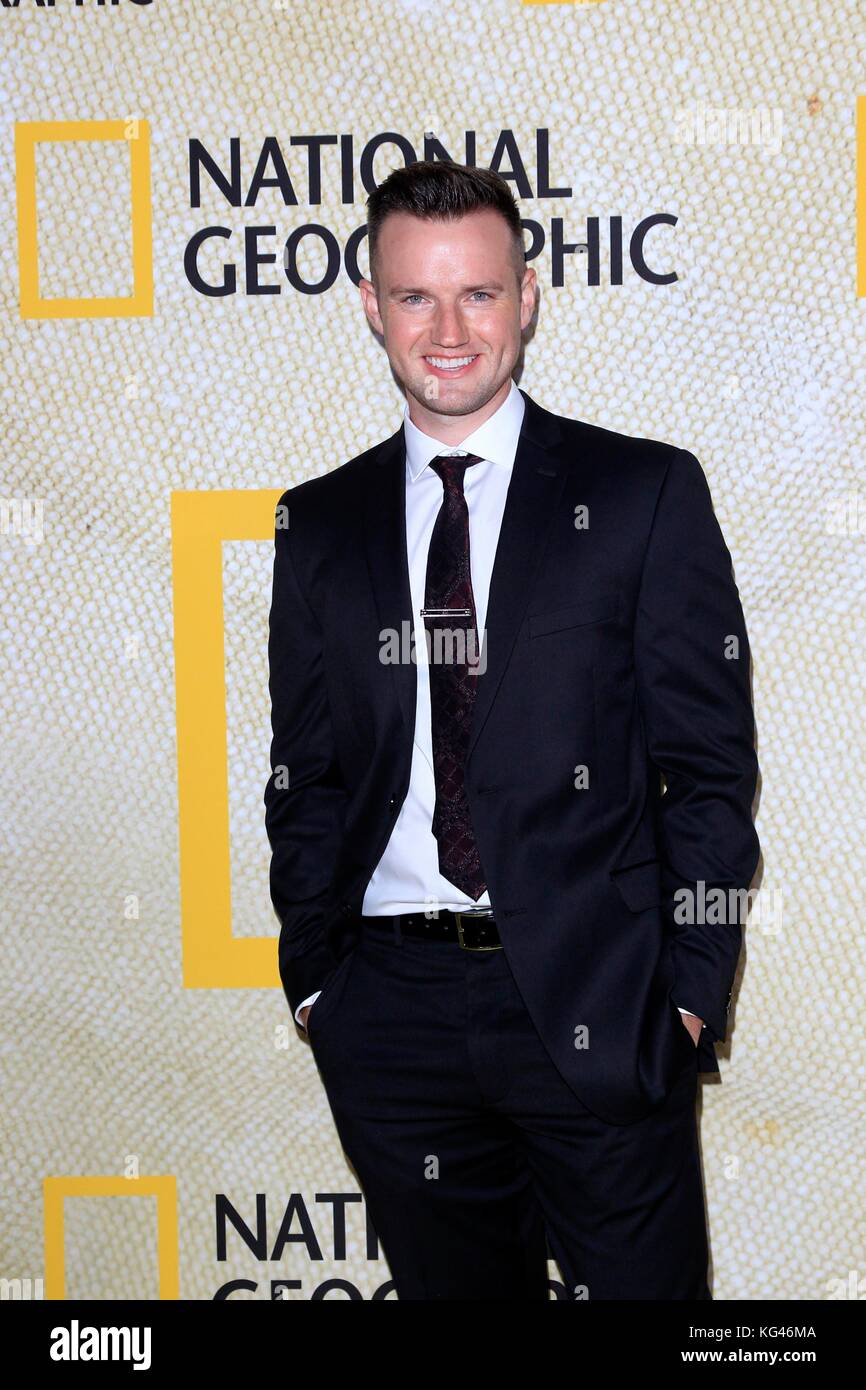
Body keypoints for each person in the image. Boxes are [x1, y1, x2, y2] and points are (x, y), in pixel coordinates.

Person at [264, 159, 760, 1300]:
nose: (447, 330)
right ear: (369, 306)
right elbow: (309, 773)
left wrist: (684, 1000)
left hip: (600, 1006)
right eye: (415, 297)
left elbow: (708, 773)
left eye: (477, 294)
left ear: (525, 298)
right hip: (389, 1018)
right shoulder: (320, 524)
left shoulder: (640, 494)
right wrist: (318, 984)